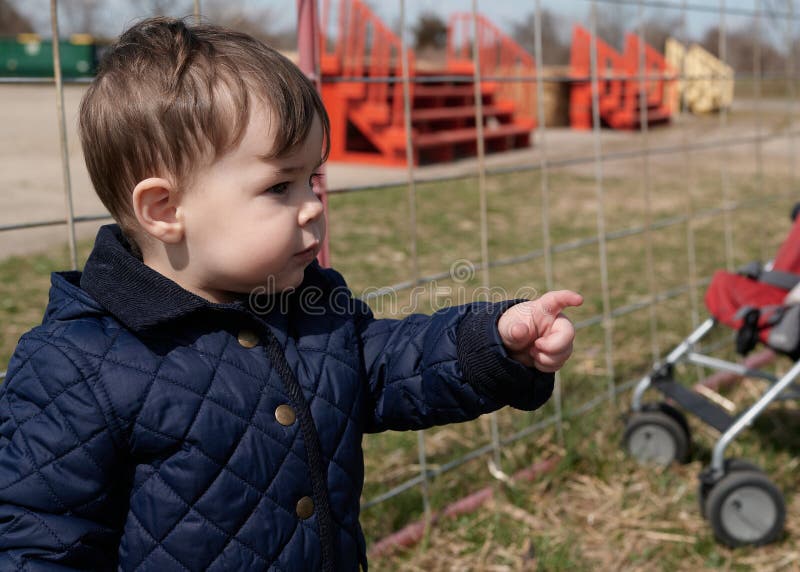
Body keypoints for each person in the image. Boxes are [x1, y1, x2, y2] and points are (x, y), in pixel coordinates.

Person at [0, 17, 582, 572]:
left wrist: (495, 344)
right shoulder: (76, 367)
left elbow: (387, 363)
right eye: (280, 185)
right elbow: (39, 536)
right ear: (165, 209)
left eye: (314, 179)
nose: (312, 205)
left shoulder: (307, 308)